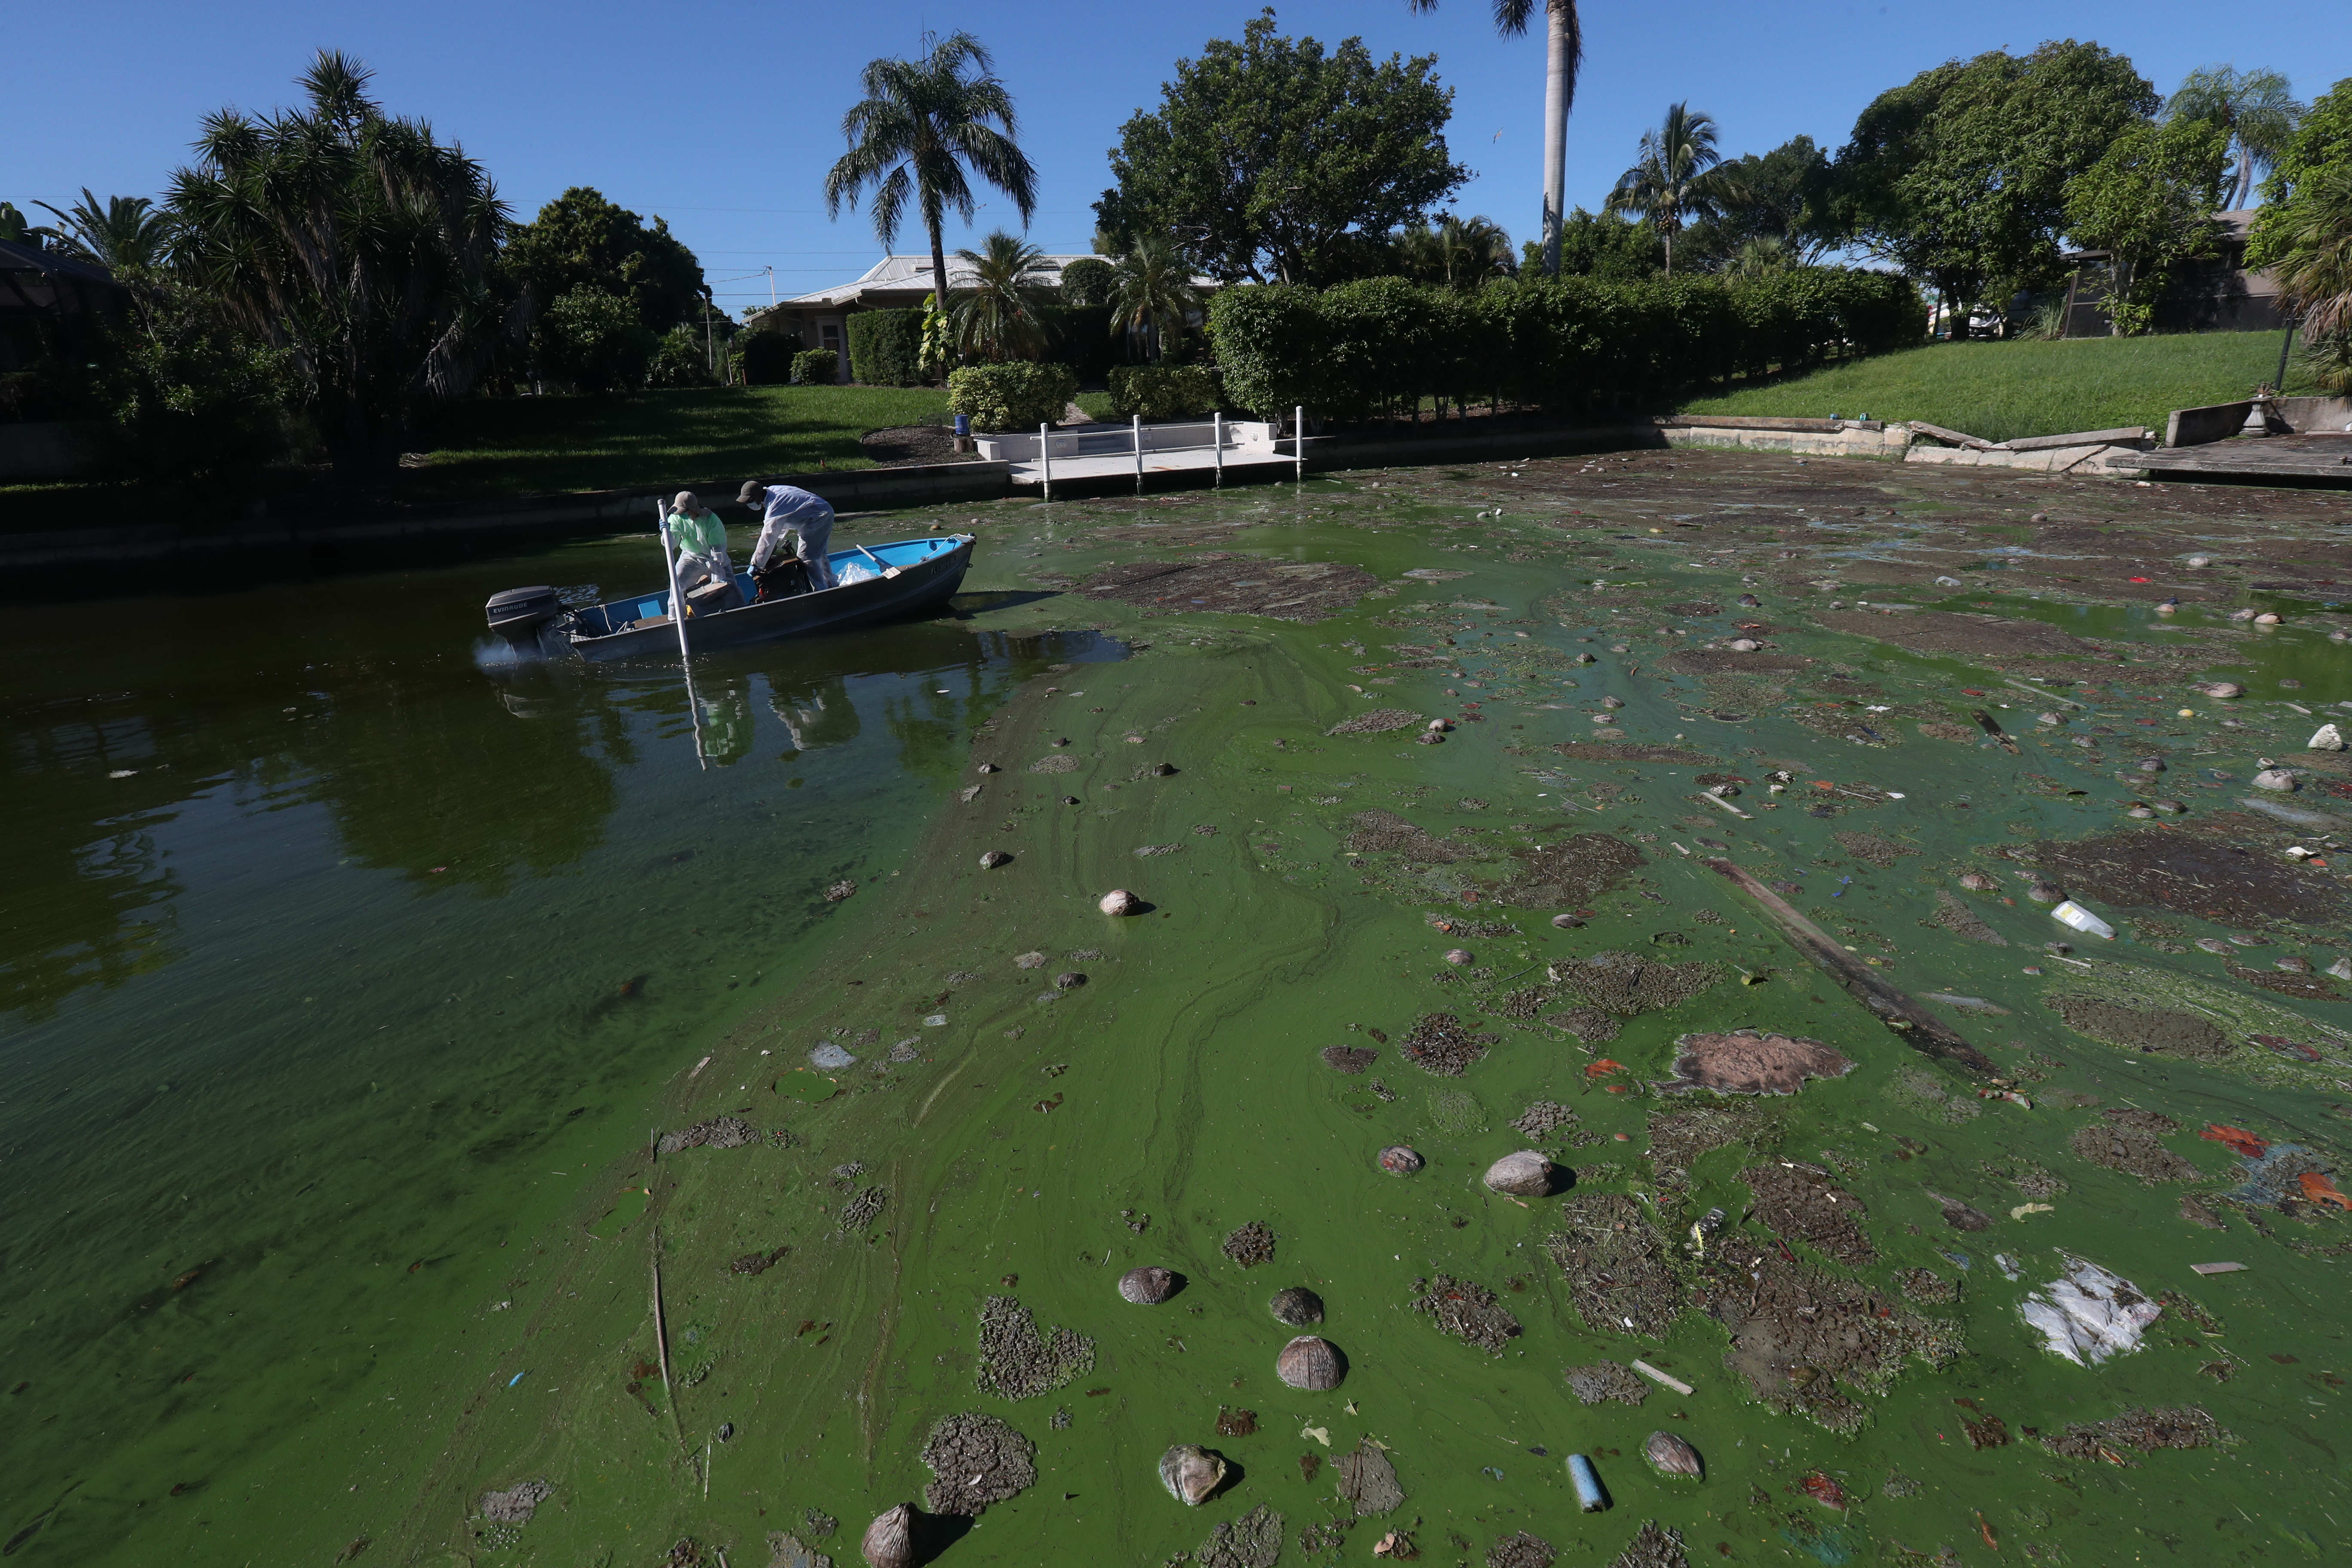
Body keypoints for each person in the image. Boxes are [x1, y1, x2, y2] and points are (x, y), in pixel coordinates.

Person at [738, 480, 836, 593]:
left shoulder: (775, 504)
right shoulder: (773, 492)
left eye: (750, 500)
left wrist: (756, 564)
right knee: (820, 553)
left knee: (806, 556)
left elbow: (768, 535)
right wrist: (772, 548)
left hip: (819, 516)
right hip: (820, 512)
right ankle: (831, 585)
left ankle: (821, 591)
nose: (749, 504)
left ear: (758, 496)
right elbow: (780, 527)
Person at [665, 490, 741, 614]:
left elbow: (718, 548)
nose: (680, 515)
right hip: (691, 556)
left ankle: (740, 610)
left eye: (683, 512)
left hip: (715, 558)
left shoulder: (711, 520)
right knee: (677, 580)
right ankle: (676, 616)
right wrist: (666, 534)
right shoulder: (675, 518)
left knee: (730, 586)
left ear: (693, 510)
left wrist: (717, 571)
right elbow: (671, 544)